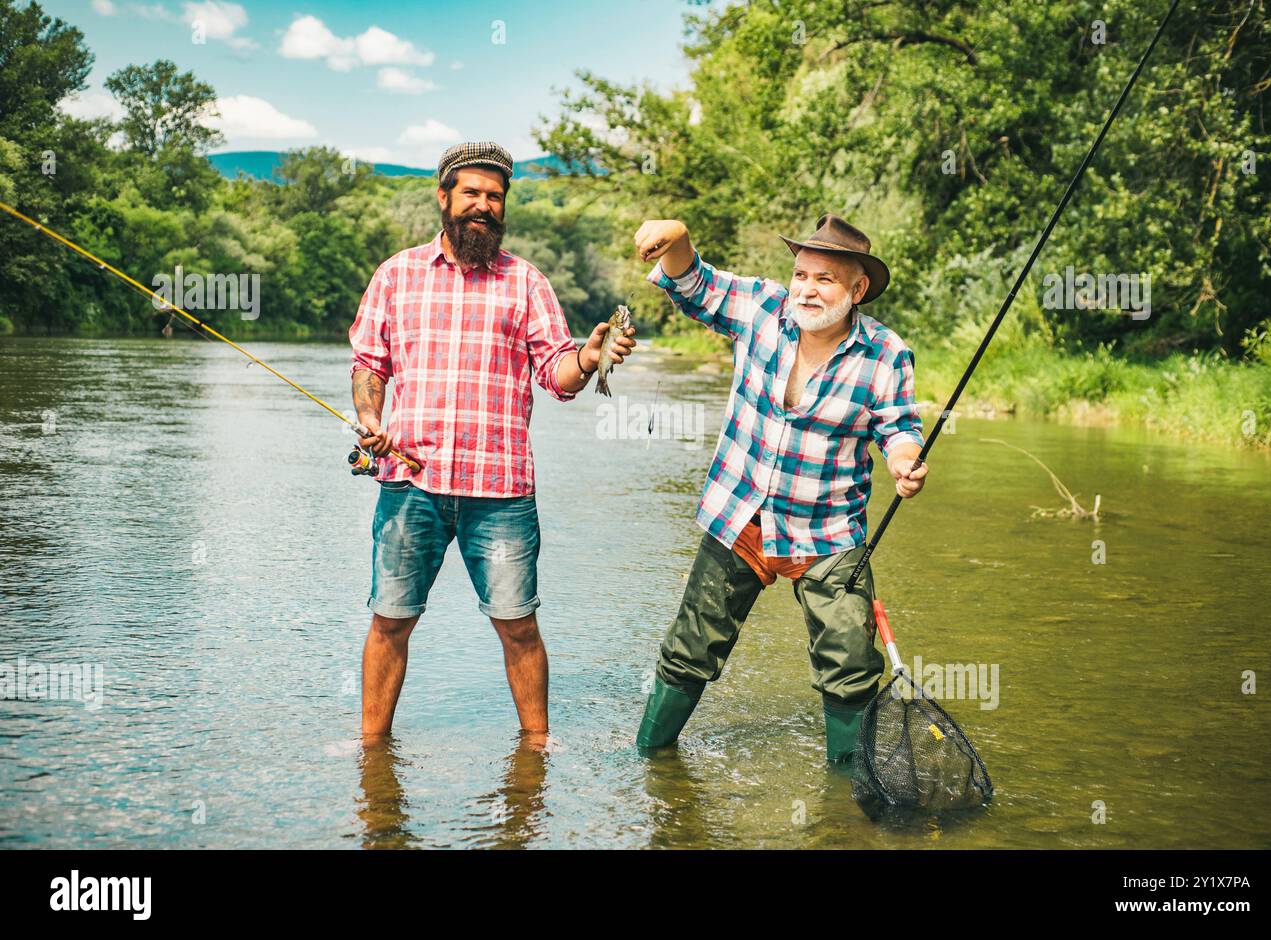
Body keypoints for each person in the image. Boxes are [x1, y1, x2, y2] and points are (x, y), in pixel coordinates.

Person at [350, 141, 636, 741]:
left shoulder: (527, 282)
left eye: (495, 197)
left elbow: (556, 376)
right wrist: (370, 419)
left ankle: (537, 749)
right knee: (390, 622)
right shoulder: (396, 274)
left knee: (518, 626)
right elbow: (368, 365)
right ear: (444, 197)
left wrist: (588, 355)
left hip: (499, 491)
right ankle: (372, 750)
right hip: (410, 484)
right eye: (472, 193)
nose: (483, 206)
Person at [631, 214, 927, 762]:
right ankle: (649, 759)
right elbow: (693, 281)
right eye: (801, 275)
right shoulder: (762, 309)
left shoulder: (886, 353)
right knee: (690, 648)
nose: (808, 290)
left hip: (828, 530)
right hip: (740, 513)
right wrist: (676, 236)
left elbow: (899, 428)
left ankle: (848, 793)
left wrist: (906, 463)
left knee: (851, 665)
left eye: (825, 280)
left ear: (857, 290)